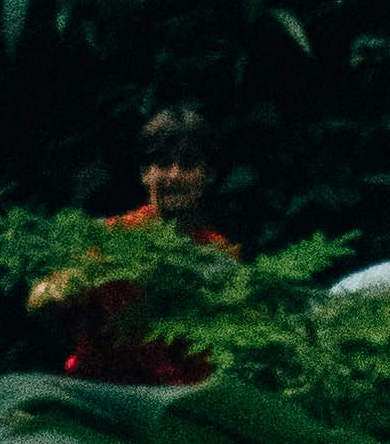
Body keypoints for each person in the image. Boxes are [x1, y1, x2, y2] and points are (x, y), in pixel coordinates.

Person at [34, 111, 239, 382]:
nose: (174, 175)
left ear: (208, 176)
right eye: (163, 163)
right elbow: (42, 302)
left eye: (187, 164)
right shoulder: (109, 237)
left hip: (179, 405)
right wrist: (53, 290)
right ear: (145, 173)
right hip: (102, 397)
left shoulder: (220, 255)